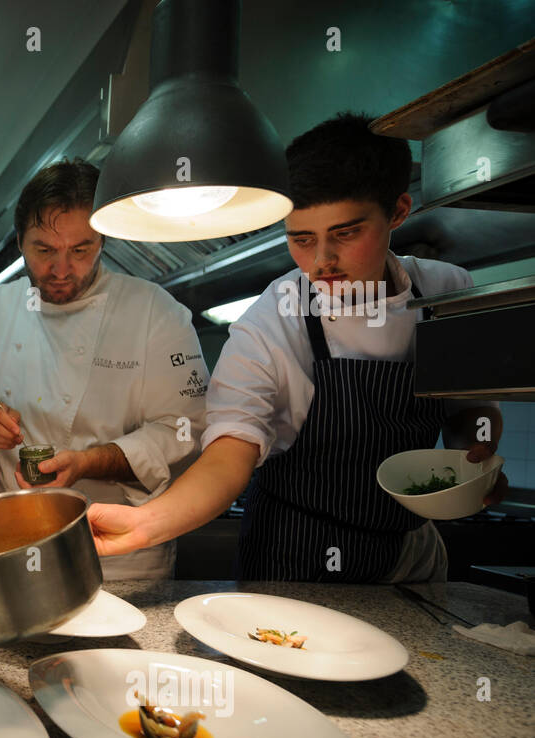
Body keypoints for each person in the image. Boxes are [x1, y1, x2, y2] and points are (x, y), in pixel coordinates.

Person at [86, 112, 506, 582]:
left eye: (345, 234)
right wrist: (146, 523)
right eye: (301, 239)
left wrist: (476, 455)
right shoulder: (271, 322)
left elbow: (470, 410)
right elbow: (229, 452)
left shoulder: (449, 290)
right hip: (299, 549)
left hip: (411, 550)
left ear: (399, 211)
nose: (322, 261)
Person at [0, 158, 207, 579]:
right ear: (19, 241)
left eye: (81, 250)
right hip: (11, 550)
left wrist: (88, 461)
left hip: (120, 560)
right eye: (44, 250)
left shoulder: (156, 313)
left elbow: (186, 432)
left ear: (104, 241)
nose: (61, 269)